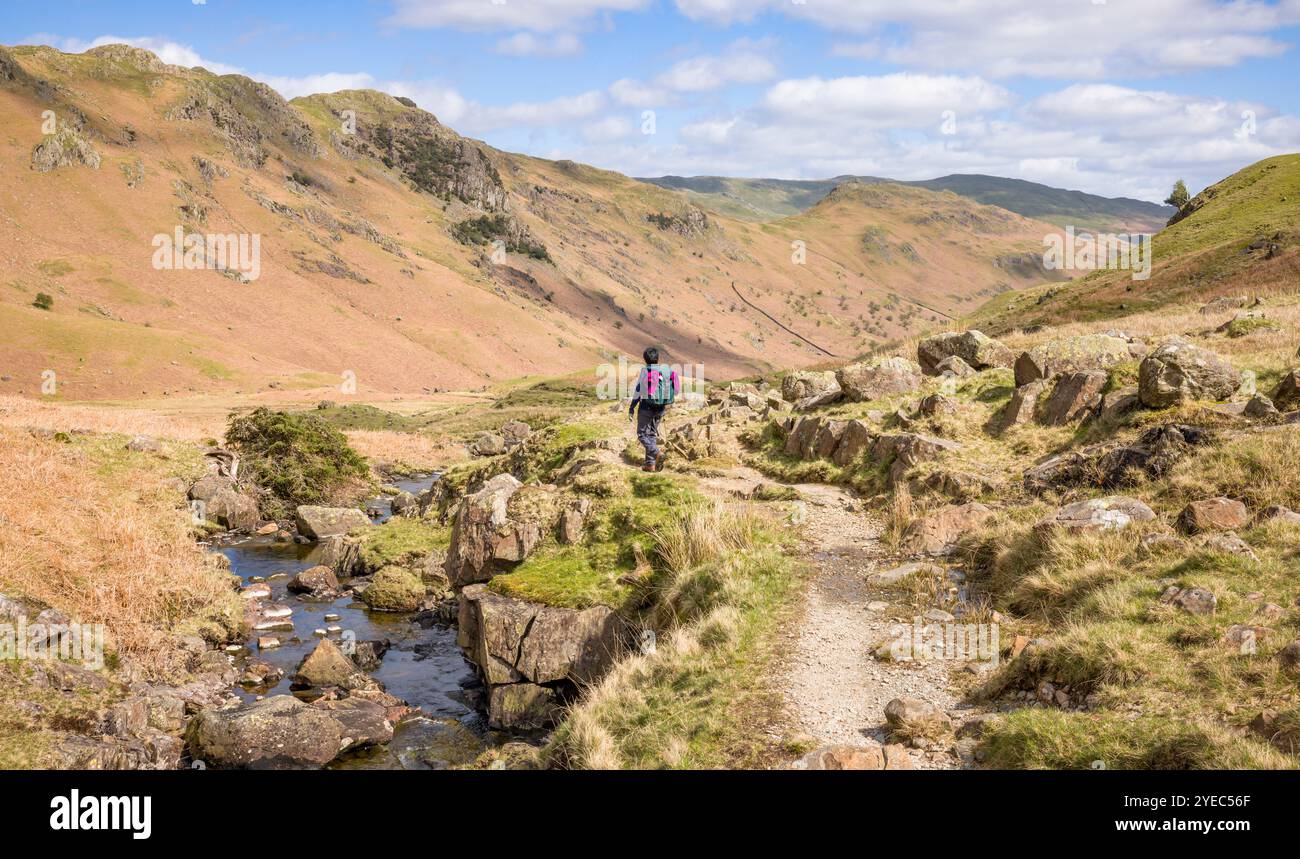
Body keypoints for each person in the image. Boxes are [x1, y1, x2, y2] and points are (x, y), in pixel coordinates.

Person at [628, 347, 679, 472]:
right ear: (657, 359)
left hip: (646, 406)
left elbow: (638, 391)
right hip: (661, 407)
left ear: (645, 359)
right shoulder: (666, 371)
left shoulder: (645, 371)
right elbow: (676, 390)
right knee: (651, 434)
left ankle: (657, 453)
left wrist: (632, 407)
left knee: (641, 434)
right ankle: (650, 465)